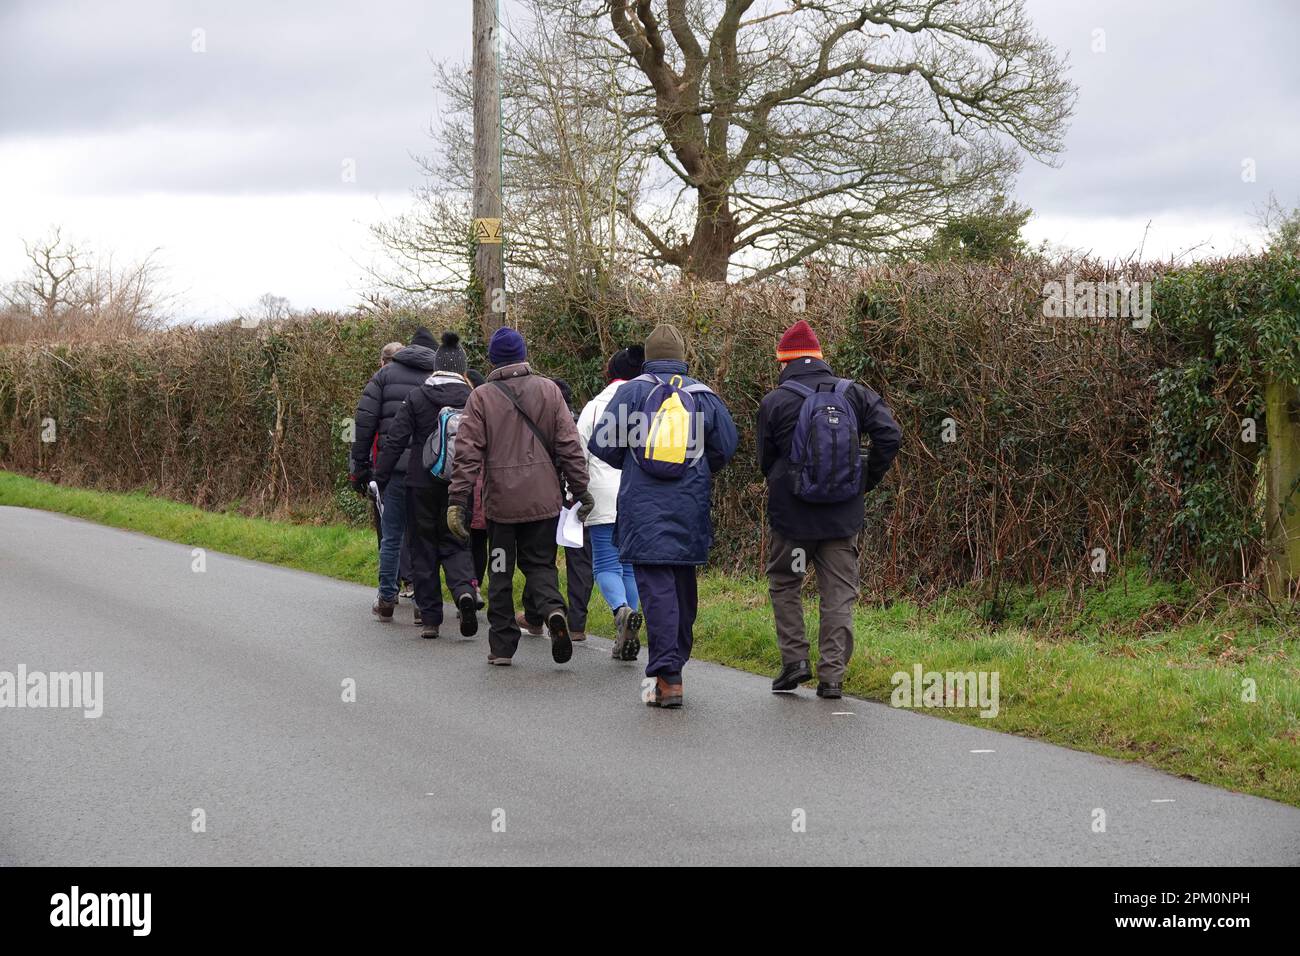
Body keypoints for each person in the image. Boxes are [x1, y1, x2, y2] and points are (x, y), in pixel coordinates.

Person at [588, 325, 737, 707]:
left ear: (649, 357)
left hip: (643, 508)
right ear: (683, 355)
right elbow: (727, 446)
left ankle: (668, 677)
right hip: (690, 507)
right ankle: (675, 668)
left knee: (656, 591)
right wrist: (698, 468)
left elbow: (602, 445)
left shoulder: (633, 391)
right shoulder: (703, 395)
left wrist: (635, 462)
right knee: (683, 588)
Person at [757, 319, 902, 700]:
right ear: (820, 357)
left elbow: (764, 460)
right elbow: (891, 434)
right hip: (842, 516)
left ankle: (795, 662)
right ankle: (832, 677)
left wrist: (785, 480)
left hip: (792, 519)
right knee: (837, 593)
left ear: (783, 361)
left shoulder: (775, 401)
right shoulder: (853, 393)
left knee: (787, 583)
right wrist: (863, 479)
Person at [446, 327, 594, 666]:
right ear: (524, 355)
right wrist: (581, 489)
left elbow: (466, 453)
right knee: (540, 564)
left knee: (500, 571)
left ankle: (501, 647)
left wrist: (458, 500)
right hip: (543, 502)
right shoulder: (550, 391)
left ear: (493, 359)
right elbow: (569, 446)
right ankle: (554, 611)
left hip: (502, 509)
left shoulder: (481, 397)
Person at [374, 332, 478, 640]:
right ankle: (463, 592)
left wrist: (380, 476)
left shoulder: (418, 396)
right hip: (460, 483)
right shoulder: (473, 397)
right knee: (456, 542)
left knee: (423, 549)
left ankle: (431, 619)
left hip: (420, 483)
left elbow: (395, 439)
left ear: (435, 366)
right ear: (461, 368)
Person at [350, 327, 439, 621]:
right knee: (423, 536)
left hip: (394, 470)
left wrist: (360, 467)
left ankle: (386, 598)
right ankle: (422, 604)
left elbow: (364, 422)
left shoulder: (384, 376)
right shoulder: (438, 377)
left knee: (391, 535)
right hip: (430, 470)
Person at [576, 345, 645, 660]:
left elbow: (578, 454)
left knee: (605, 563)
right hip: (638, 493)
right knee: (630, 565)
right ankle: (629, 628)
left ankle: (621, 612)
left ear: (611, 374)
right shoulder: (649, 401)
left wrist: (575, 492)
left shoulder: (593, 407)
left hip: (602, 493)